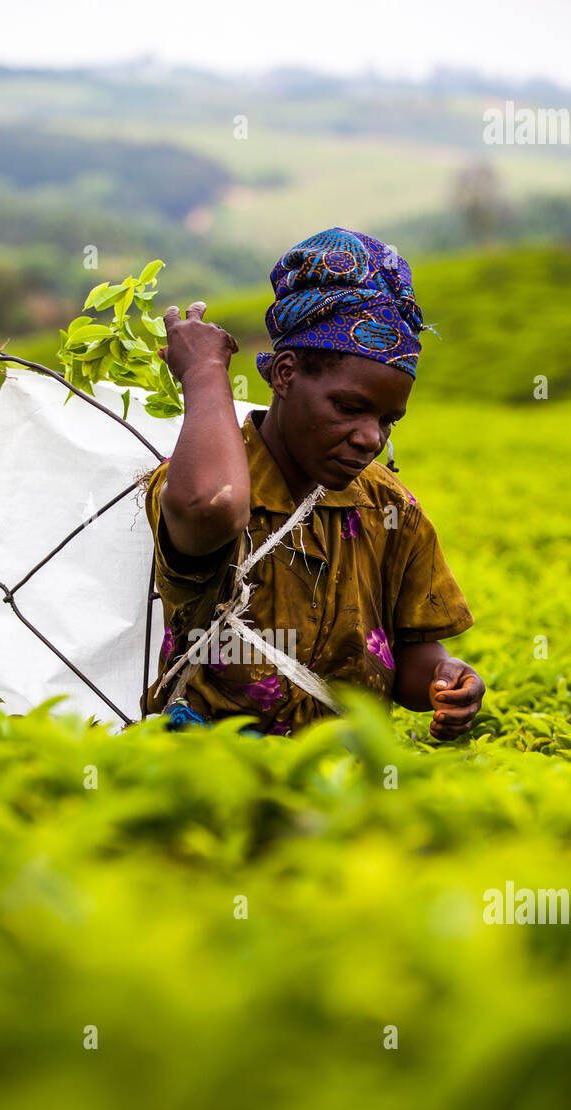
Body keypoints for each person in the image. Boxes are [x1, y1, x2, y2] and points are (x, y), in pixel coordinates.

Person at [142, 227, 485, 739]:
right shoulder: (201, 482)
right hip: (208, 770)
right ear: (284, 374)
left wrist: (446, 678)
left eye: (388, 420)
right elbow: (209, 505)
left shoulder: (390, 508)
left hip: (342, 777)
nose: (370, 438)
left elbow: (413, 654)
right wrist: (205, 374)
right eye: (349, 408)